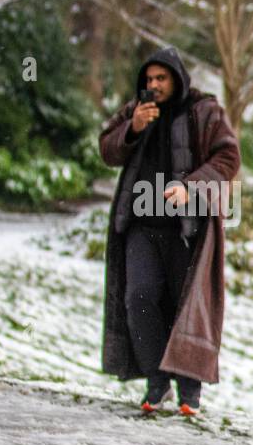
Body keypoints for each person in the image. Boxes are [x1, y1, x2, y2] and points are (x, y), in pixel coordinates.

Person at [99, 46, 240, 414]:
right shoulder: (136, 112)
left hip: (186, 228)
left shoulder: (204, 110)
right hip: (141, 226)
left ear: (177, 78)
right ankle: (156, 380)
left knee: (186, 305)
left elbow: (228, 157)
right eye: (148, 79)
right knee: (138, 298)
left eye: (161, 78)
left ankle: (189, 394)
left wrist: (190, 186)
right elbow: (107, 149)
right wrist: (132, 129)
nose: (154, 85)